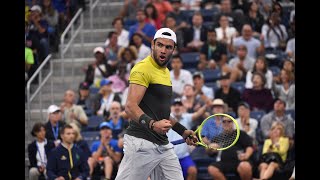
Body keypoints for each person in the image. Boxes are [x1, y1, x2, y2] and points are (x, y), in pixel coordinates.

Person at [115, 28, 198, 180]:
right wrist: (154, 125)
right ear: (152, 44)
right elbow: (130, 106)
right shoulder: (142, 69)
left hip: (162, 145)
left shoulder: (165, 72)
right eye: (160, 45)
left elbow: (162, 112)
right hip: (141, 143)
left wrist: (183, 131)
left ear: (174, 49)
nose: (163, 50)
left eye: (168, 47)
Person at [167, 98, 207, 180]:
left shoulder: (187, 117)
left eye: (179, 105)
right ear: (171, 108)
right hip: (168, 156)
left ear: (183, 108)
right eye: (175, 105)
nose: (177, 107)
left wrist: (207, 104)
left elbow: (198, 113)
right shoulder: (165, 118)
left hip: (184, 156)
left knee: (192, 171)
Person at [207, 115, 254, 180]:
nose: (226, 123)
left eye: (229, 121)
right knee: (212, 168)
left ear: (233, 122)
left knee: (245, 166)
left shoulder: (240, 133)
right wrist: (210, 148)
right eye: (224, 121)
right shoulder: (217, 138)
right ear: (221, 123)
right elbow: (209, 153)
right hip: (224, 162)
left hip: (239, 161)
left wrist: (247, 155)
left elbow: (249, 146)